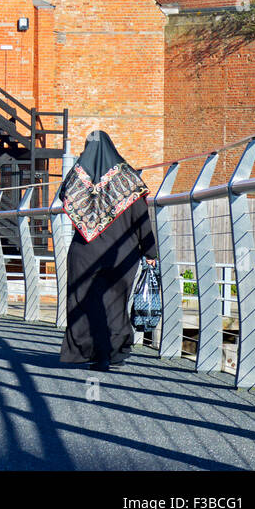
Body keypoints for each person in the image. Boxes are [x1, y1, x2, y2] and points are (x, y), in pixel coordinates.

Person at [57, 130, 158, 370]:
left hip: (84, 254)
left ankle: (88, 352)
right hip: (121, 255)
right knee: (115, 301)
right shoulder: (129, 180)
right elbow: (141, 219)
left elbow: (64, 197)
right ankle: (114, 352)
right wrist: (150, 252)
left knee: (85, 303)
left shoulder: (76, 179)